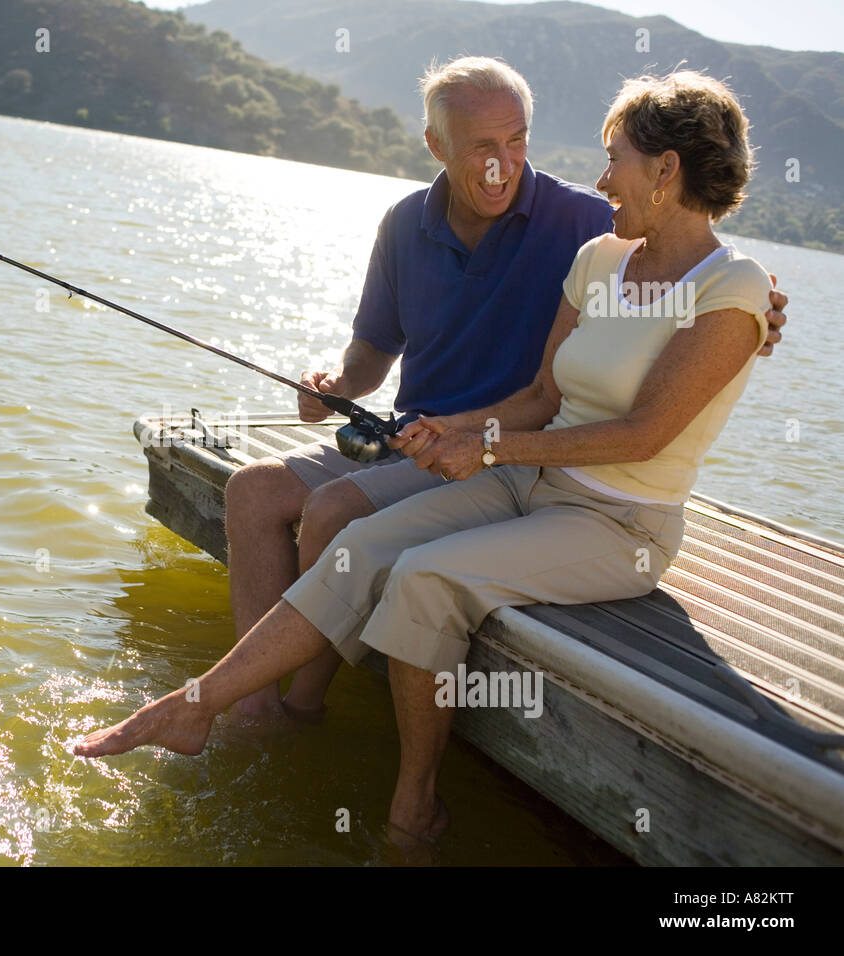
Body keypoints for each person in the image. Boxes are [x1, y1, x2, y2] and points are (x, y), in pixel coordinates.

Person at [76, 69, 777, 845]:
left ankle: (413, 811)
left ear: (666, 169)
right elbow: (544, 391)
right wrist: (461, 433)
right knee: (360, 546)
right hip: (525, 479)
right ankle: (200, 705)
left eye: (615, 158)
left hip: (620, 523)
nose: (602, 177)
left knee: (422, 575)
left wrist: (488, 447)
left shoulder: (732, 286)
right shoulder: (602, 258)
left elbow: (645, 434)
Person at [223, 57, 788, 720]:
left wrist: (759, 309)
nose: (501, 164)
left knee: (333, 512)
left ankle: (304, 705)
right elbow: (374, 349)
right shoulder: (403, 224)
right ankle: (252, 709)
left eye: (516, 141)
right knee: (251, 489)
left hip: (501, 457)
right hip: (417, 436)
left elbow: (684, 249)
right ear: (437, 145)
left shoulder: (586, 222)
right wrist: (337, 384)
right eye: (481, 147)